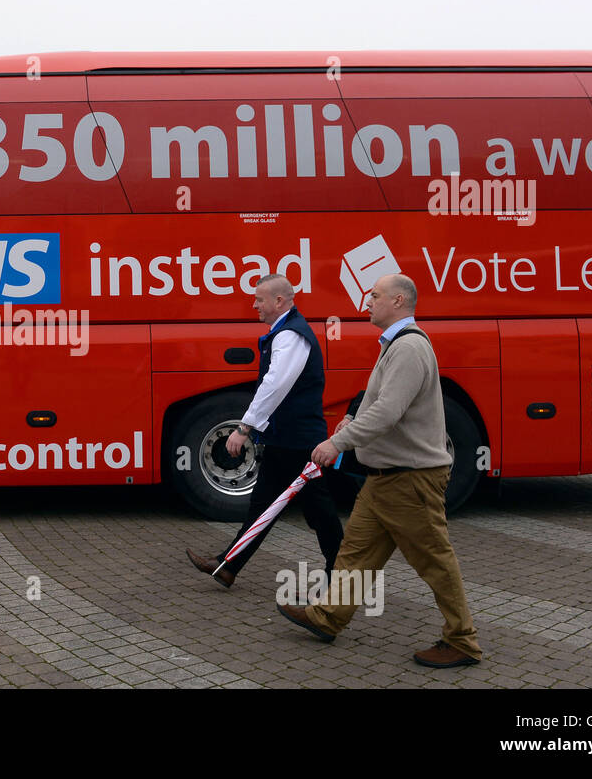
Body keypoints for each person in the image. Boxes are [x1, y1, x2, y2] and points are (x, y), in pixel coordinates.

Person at [277, 273, 483, 668]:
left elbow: (388, 413)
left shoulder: (408, 349)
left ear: (400, 301)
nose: (366, 303)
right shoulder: (397, 346)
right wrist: (352, 422)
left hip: (409, 479)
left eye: (374, 296)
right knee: (355, 554)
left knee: (435, 561)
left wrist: (338, 441)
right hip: (386, 477)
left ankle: (463, 640)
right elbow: (380, 405)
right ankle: (327, 617)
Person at [185, 274, 343, 588]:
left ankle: (342, 570)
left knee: (319, 510)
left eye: (259, 299)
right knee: (266, 504)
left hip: (300, 441)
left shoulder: (291, 336)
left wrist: (244, 427)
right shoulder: (284, 332)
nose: (254, 305)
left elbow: (275, 385)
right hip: (288, 439)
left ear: (279, 301)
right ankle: (228, 565)